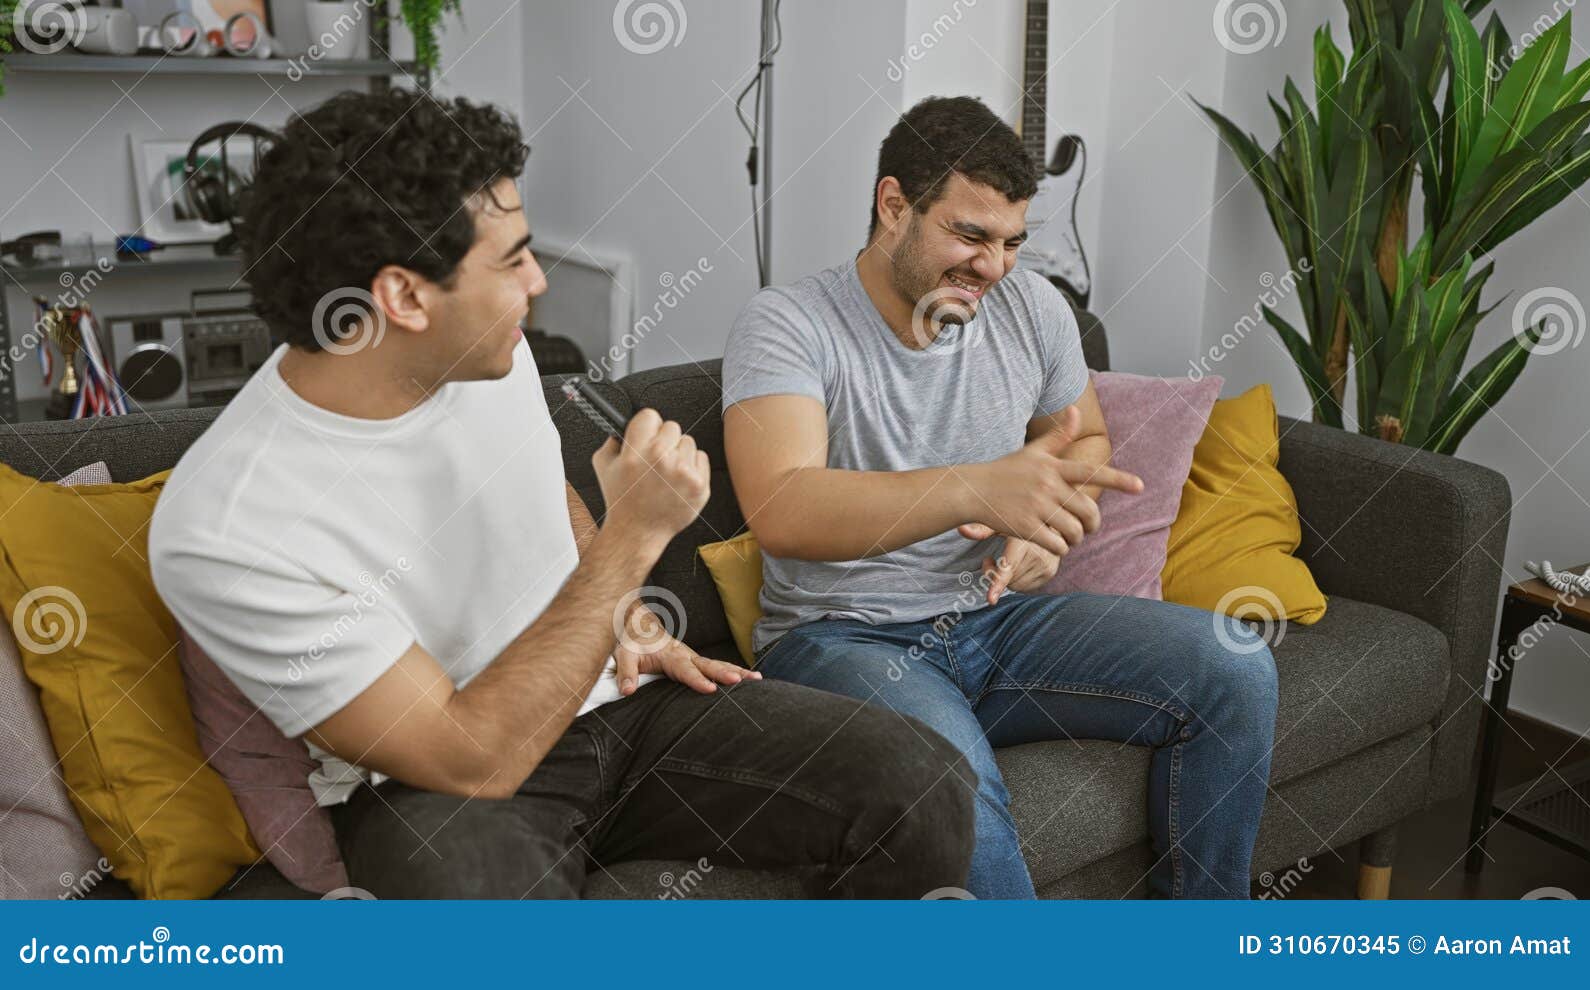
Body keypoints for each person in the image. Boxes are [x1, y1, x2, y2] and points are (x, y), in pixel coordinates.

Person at [149, 89, 976, 899]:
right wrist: (633, 540)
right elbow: (468, 755)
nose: (539, 281)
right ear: (402, 297)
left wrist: (636, 619)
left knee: (920, 782)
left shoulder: (489, 353)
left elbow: (542, 492)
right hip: (439, 787)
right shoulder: (225, 526)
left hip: (621, 704)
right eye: (510, 261)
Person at [721, 96, 1279, 899]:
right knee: (952, 783)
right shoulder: (789, 325)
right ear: (893, 207)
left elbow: (1082, 438)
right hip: (842, 639)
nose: (994, 267)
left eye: (1013, 242)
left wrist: (1045, 530)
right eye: (970, 235)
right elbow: (784, 508)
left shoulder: (1030, 309)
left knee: (1236, 669)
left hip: (994, 620)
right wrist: (975, 487)